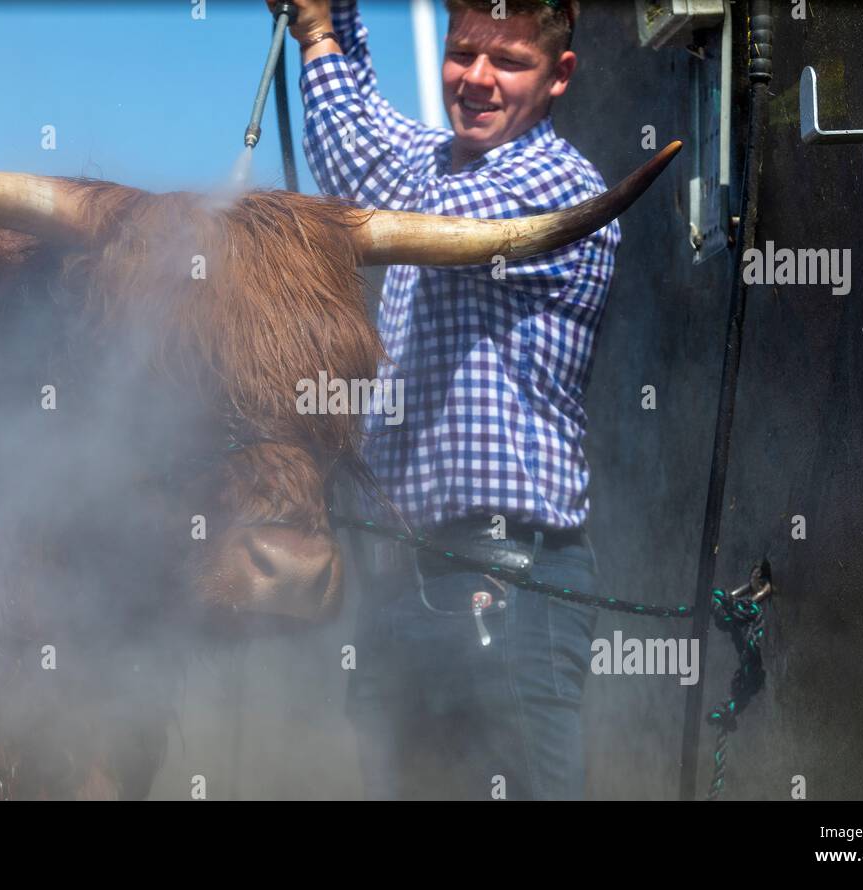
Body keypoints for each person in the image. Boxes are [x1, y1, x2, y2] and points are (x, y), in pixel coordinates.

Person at [276, 0, 615, 800]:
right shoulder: (433, 162)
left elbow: (362, 178)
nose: (477, 79)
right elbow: (372, 138)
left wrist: (317, 34)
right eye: (463, 53)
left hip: (511, 582)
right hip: (403, 586)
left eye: (510, 62)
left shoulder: (559, 180)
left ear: (559, 75)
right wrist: (337, 18)